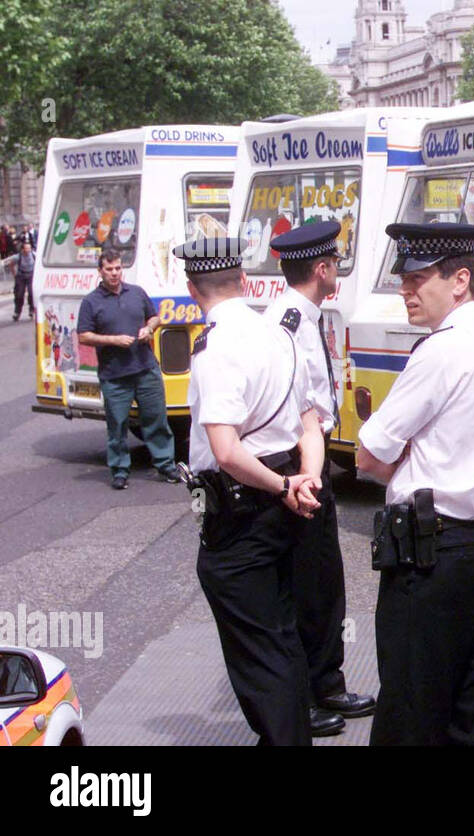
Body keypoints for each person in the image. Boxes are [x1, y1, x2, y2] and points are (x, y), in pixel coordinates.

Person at [357, 222, 474, 746]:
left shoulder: (441, 350)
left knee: (411, 703)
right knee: (465, 702)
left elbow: (369, 453)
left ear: (460, 280)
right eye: (403, 280)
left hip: (432, 551)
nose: (406, 291)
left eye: (418, 279)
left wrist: (408, 460)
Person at [176, 235, 324, 746]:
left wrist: (284, 486)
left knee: (260, 647)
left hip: (245, 506)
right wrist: (307, 479)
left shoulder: (215, 346)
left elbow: (226, 452)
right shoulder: (280, 335)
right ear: (243, 280)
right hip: (284, 496)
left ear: (192, 289)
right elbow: (310, 425)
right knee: (280, 632)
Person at [262, 222, 375, 737]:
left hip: (313, 456)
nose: (338, 272)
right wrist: (308, 475)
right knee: (303, 583)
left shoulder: (306, 316)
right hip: (298, 462)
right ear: (322, 269)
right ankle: (303, 696)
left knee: (324, 579)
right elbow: (298, 404)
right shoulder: (288, 322)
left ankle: (326, 683)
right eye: (335, 264)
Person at [76, 250, 179, 489]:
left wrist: (149, 329)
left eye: (118, 268)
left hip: (146, 369)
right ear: (100, 271)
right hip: (114, 376)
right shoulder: (91, 301)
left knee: (156, 419)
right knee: (118, 425)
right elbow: (83, 336)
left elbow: (155, 317)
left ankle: (166, 465)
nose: (114, 273)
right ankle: (120, 471)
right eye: (109, 269)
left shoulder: (136, 292)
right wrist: (114, 340)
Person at [13, 239, 35, 321]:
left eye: (29, 248)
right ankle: (17, 312)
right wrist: (15, 274)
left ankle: (31, 310)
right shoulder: (18, 256)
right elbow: (11, 263)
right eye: (26, 248)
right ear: (22, 249)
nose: (28, 250)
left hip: (30, 275)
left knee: (31, 293)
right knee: (19, 294)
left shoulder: (33, 255)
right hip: (21, 276)